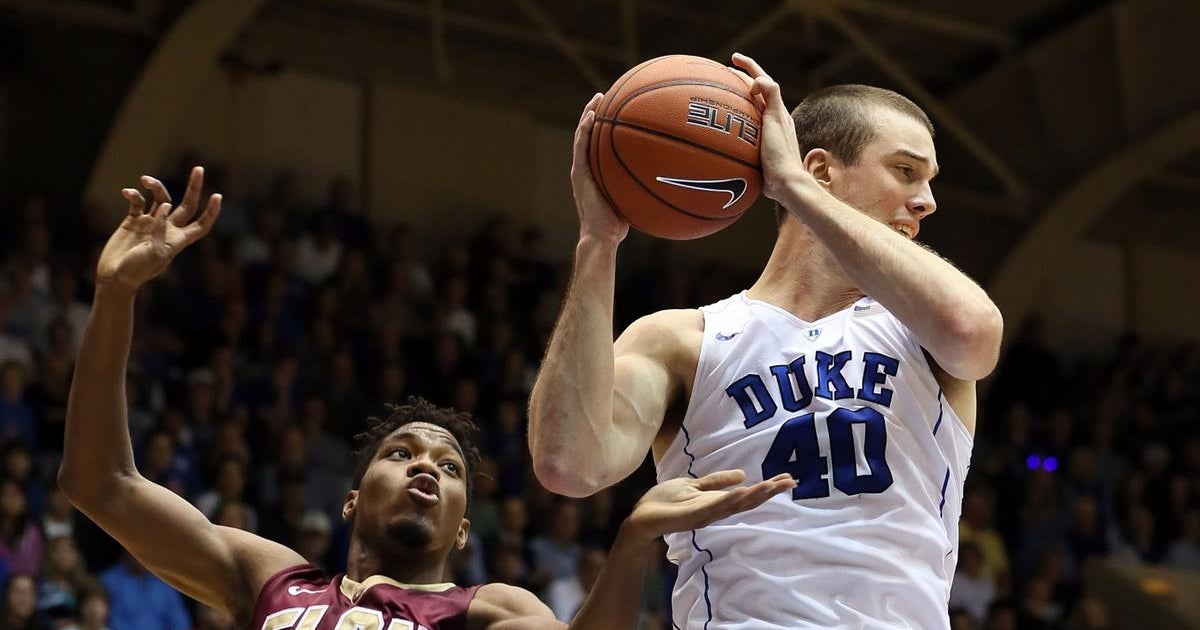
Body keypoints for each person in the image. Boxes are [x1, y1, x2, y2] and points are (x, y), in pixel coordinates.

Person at [58, 167, 796, 630]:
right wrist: (115, 294)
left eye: (449, 468)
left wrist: (633, 545)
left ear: (464, 530)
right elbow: (101, 484)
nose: (426, 468)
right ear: (351, 499)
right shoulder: (271, 578)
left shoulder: (490, 611)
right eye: (402, 452)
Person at [528, 52, 1004, 629]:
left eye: (929, 181)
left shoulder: (920, 327)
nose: (927, 201)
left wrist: (794, 188)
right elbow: (568, 465)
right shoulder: (683, 339)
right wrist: (597, 245)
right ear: (821, 168)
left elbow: (973, 333)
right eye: (906, 171)